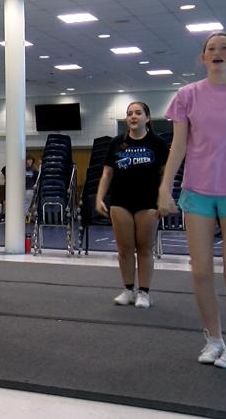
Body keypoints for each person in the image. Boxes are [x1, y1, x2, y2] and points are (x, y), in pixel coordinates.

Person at [159, 31, 226, 370]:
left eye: (225, 48)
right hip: (197, 192)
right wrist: (165, 187)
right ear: (202, 57)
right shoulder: (187, 95)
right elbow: (178, 146)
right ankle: (213, 338)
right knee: (200, 272)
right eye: (211, 48)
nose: (218, 52)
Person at [96, 102, 169, 309]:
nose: (133, 116)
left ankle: (144, 292)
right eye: (129, 114)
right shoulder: (117, 143)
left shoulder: (158, 143)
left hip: (148, 202)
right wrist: (99, 197)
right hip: (120, 201)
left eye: (138, 113)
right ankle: (128, 289)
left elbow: (166, 174)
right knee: (124, 248)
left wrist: (165, 197)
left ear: (147, 118)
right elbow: (107, 173)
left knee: (145, 248)